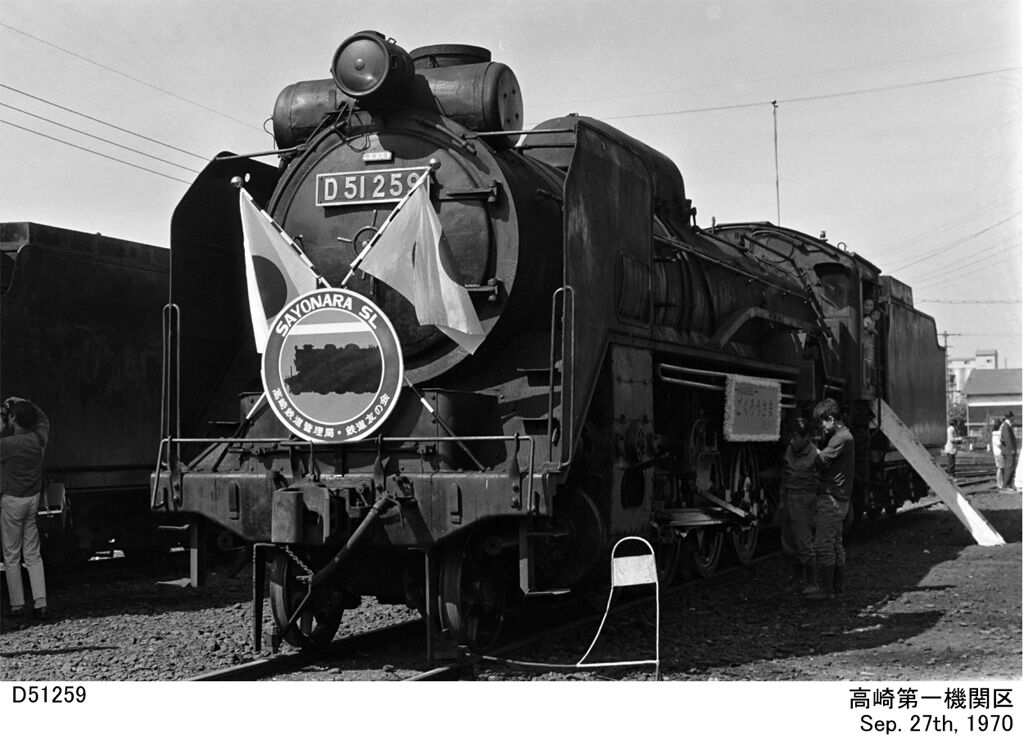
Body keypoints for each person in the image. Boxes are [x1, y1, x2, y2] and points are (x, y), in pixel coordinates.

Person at [0, 397, 50, 618]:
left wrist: (1, 425)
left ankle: (17, 605)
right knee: (33, 554)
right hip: (32, 500)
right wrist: (25, 402)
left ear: (13, 419)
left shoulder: (7, 445)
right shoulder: (38, 440)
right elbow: (44, 419)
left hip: (12, 501)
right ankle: (41, 602)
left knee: (12, 555)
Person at [805, 398, 855, 600]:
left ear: (832, 419)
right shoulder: (846, 436)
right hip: (840, 498)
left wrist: (811, 449)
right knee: (835, 544)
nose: (822, 427)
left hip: (832, 498)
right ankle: (837, 588)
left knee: (823, 545)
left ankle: (826, 590)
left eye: (823, 422)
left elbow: (819, 461)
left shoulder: (840, 438)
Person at [778, 417, 819, 592]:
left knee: (804, 542)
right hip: (790, 498)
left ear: (806, 437)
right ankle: (797, 581)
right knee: (789, 543)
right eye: (791, 437)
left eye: (795, 437)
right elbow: (784, 475)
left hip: (805, 500)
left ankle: (812, 582)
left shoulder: (816, 455)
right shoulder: (789, 451)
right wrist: (782, 500)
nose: (792, 441)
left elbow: (822, 482)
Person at [1000, 412, 1018, 488]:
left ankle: (1009, 484)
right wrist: (1012, 449)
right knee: (1009, 467)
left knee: (1012, 466)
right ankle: (1006, 484)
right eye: (1012, 417)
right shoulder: (1005, 426)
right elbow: (1007, 439)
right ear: (1011, 417)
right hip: (1008, 451)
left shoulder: (1008, 426)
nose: (1013, 419)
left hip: (1009, 450)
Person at [991, 418, 1005, 490]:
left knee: (1000, 468)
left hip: (997, 453)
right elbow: (999, 444)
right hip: (999, 453)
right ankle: (999, 483)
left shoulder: (994, 434)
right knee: (1000, 468)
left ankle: (1000, 482)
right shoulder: (996, 435)